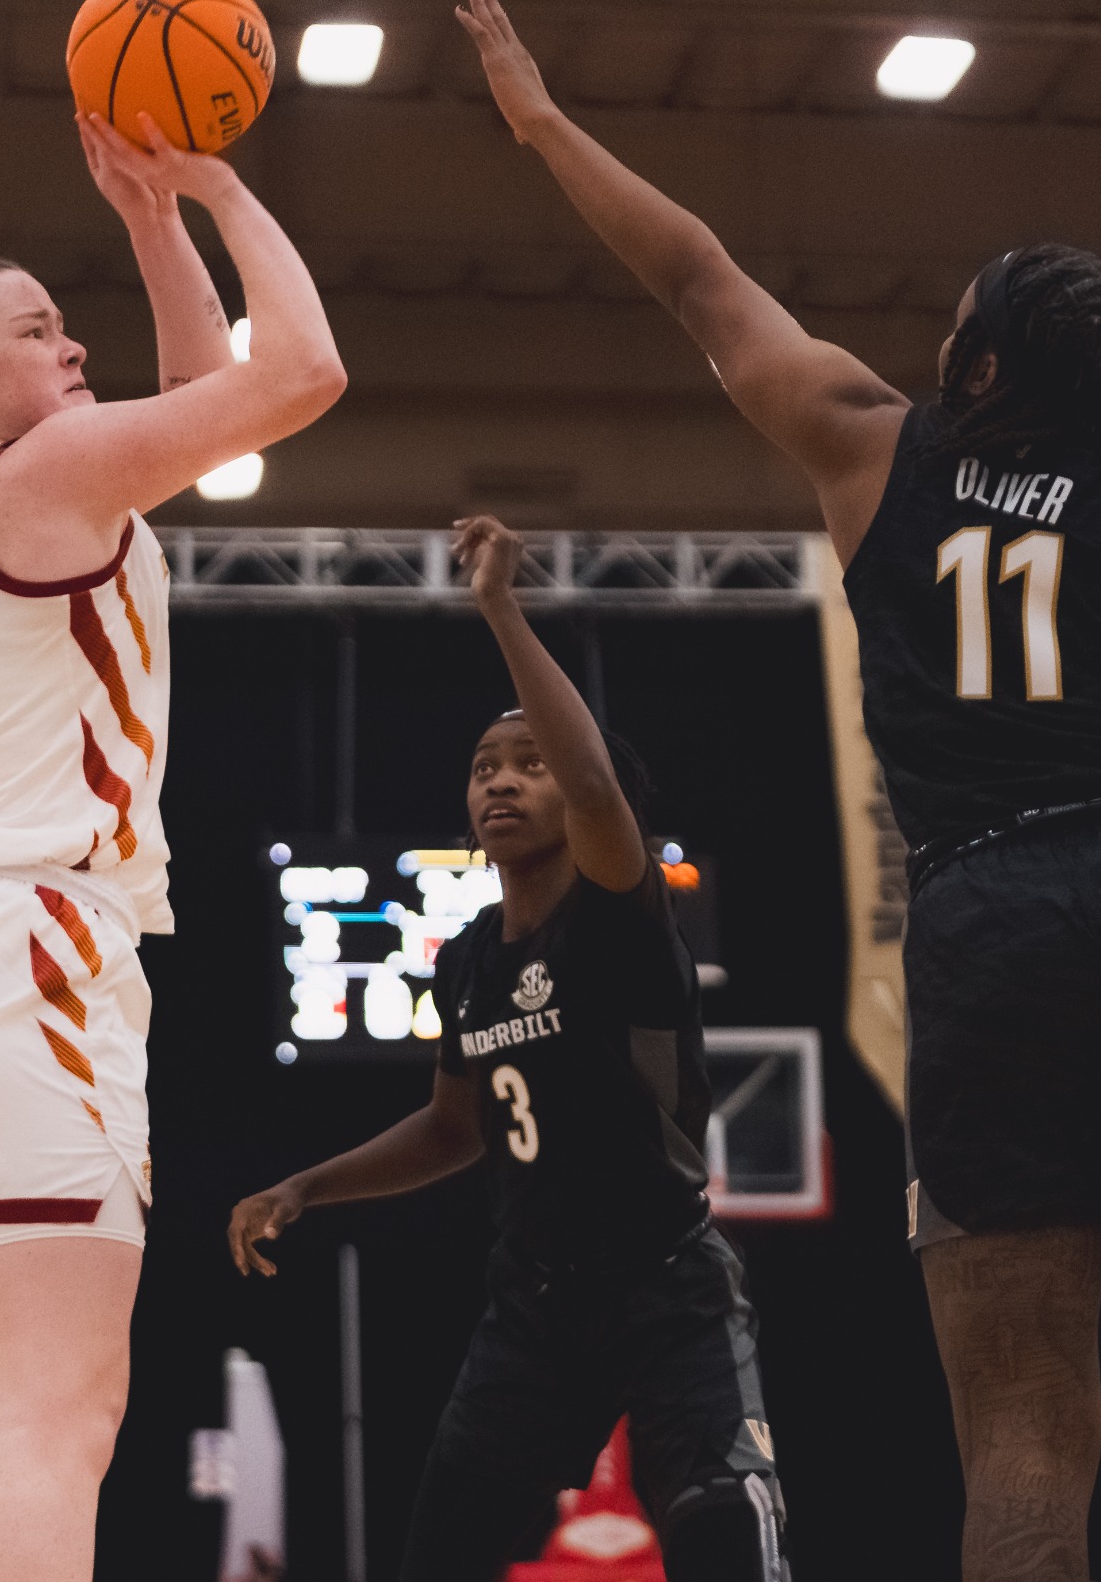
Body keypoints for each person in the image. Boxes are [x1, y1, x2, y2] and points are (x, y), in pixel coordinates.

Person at [453, 0, 1101, 1577]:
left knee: (1028, 1433)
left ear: (969, 362)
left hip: (990, 921)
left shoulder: (871, 447)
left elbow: (697, 274)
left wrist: (544, 120)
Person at [0, 111, 345, 1582]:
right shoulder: (46, 480)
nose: (72, 348)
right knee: (61, 1409)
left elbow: (197, 390)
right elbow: (297, 374)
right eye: (40, 331)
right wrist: (218, 182)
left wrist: (154, 223)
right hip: (26, 954)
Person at [229, 516, 785, 1582]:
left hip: (666, 1286)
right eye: (485, 765)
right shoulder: (470, 957)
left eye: (528, 762)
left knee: (723, 1539)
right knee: (439, 1554)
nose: (500, 780)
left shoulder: (622, 925)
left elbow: (593, 789)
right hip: (533, 1305)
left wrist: (496, 605)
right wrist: (307, 1185)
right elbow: (452, 1127)